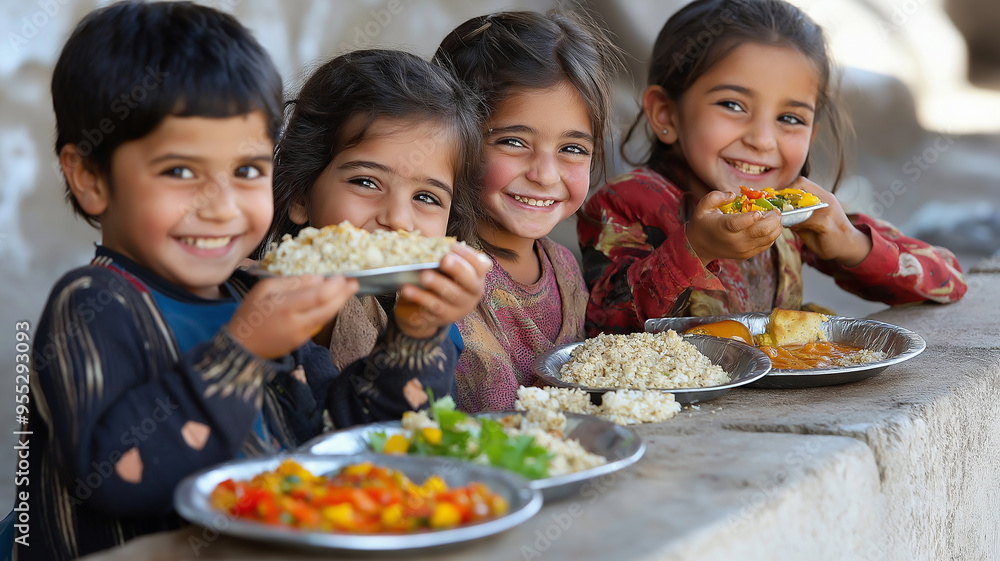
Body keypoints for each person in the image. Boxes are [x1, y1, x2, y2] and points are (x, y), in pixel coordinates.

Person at [21, 4, 455, 559]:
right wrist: (243, 353)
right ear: (90, 177)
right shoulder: (93, 305)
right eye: (181, 171)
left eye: (247, 170)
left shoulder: (255, 293)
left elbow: (341, 443)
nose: (222, 206)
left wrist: (415, 336)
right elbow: (117, 477)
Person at [578, 0, 967, 336]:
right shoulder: (625, 203)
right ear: (666, 114)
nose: (763, 140)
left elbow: (948, 280)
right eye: (733, 105)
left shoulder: (792, 209)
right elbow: (602, 328)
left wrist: (850, 242)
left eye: (790, 118)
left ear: (812, 133)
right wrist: (697, 247)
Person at [433, 10, 624, 412]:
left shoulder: (564, 269)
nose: (545, 175)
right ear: (453, 139)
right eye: (513, 142)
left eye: (572, 149)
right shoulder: (444, 273)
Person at [260, 48, 491, 375]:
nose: (398, 219)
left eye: (426, 197)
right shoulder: (255, 313)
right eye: (366, 182)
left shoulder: (433, 322)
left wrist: (419, 334)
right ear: (300, 195)